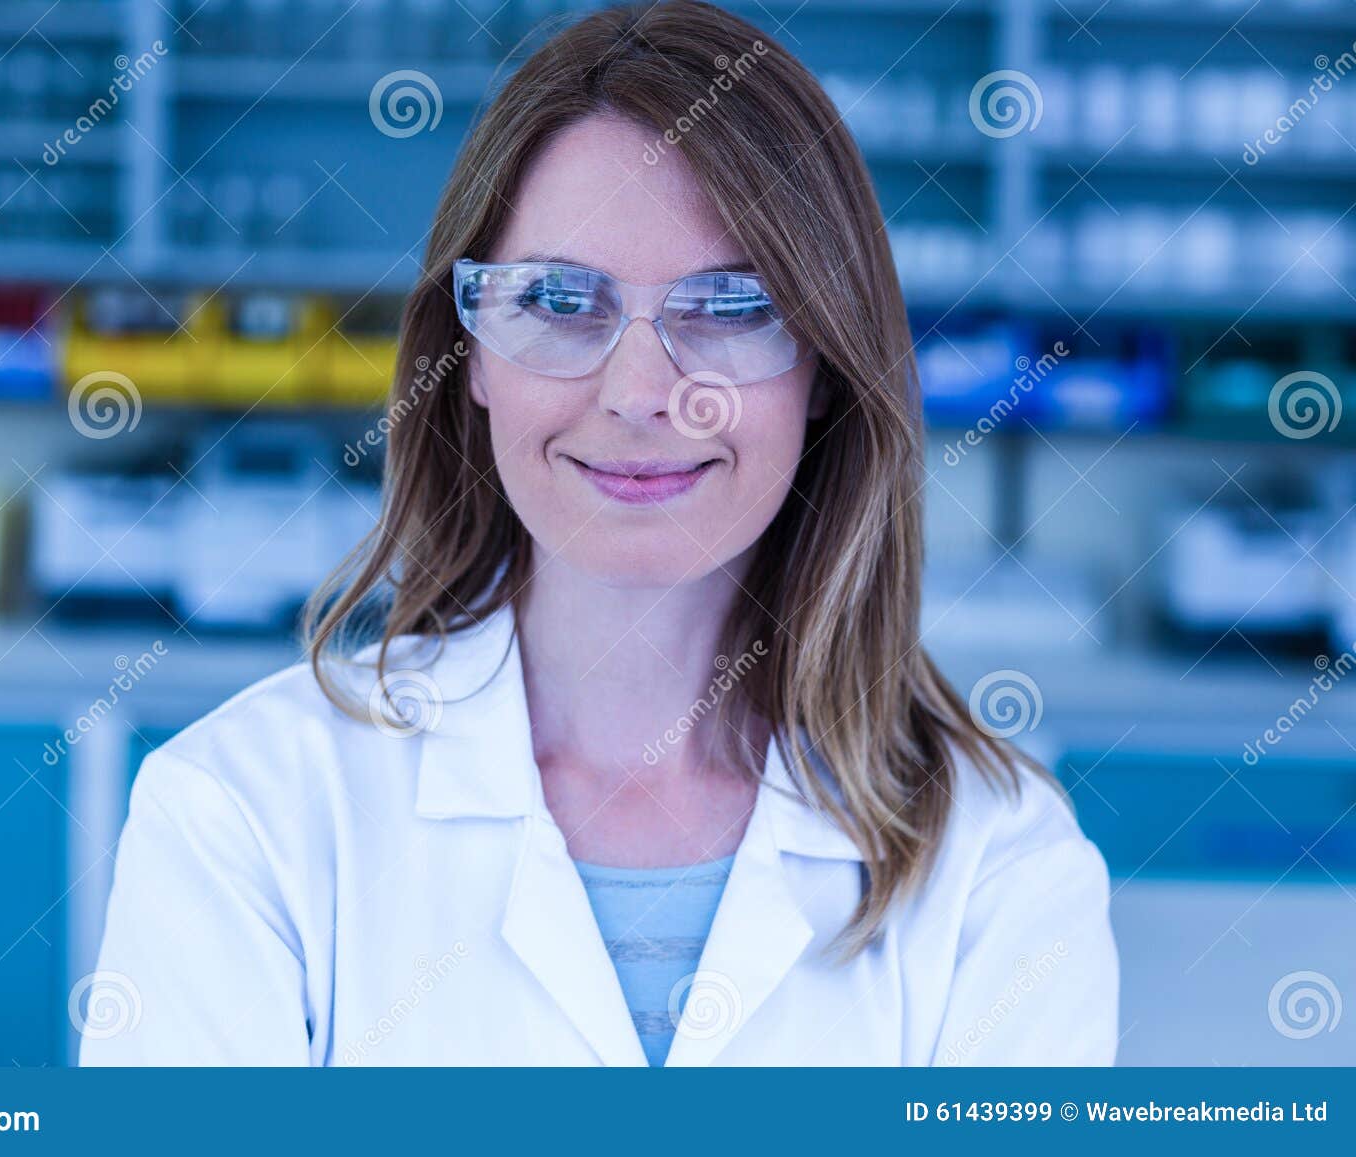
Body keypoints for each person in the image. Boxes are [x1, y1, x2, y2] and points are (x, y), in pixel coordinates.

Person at [80, 0, 1118, 1067]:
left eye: (728, 307)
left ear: (825, 368)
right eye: (559, 298)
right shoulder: (244, 812)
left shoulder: (999, 860)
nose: (638, 392)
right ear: (472, 354)